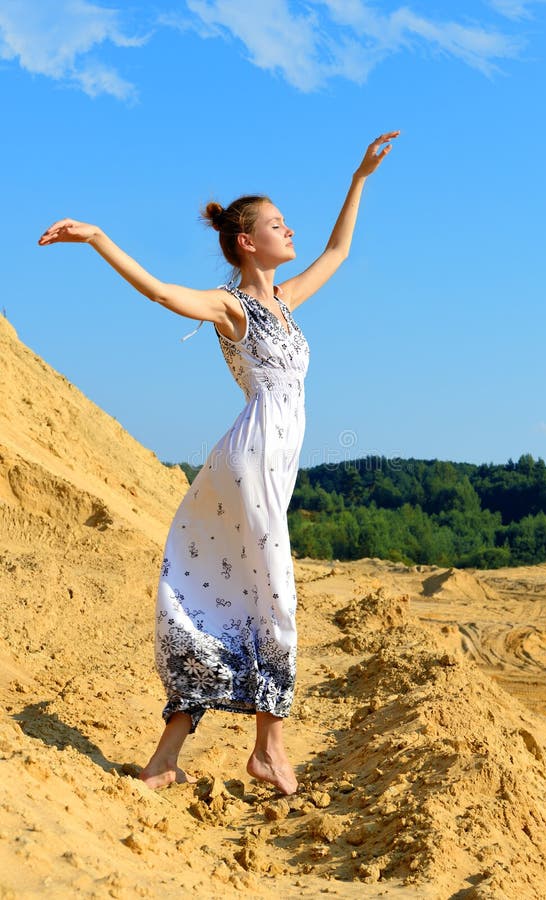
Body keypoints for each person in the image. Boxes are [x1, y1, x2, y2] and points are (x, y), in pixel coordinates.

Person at [38, 131, 400, 795]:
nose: (288, 230)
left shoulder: (282, 302)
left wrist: (360, 177)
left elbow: (339, 250)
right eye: (275, 224)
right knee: (273, 596)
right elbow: (159, 293)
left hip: (271, 462)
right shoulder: (230, 306)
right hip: (252, 455)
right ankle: (269, 750)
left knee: (235, 596)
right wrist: (98, 238)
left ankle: (165, 759)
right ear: (245, 242)